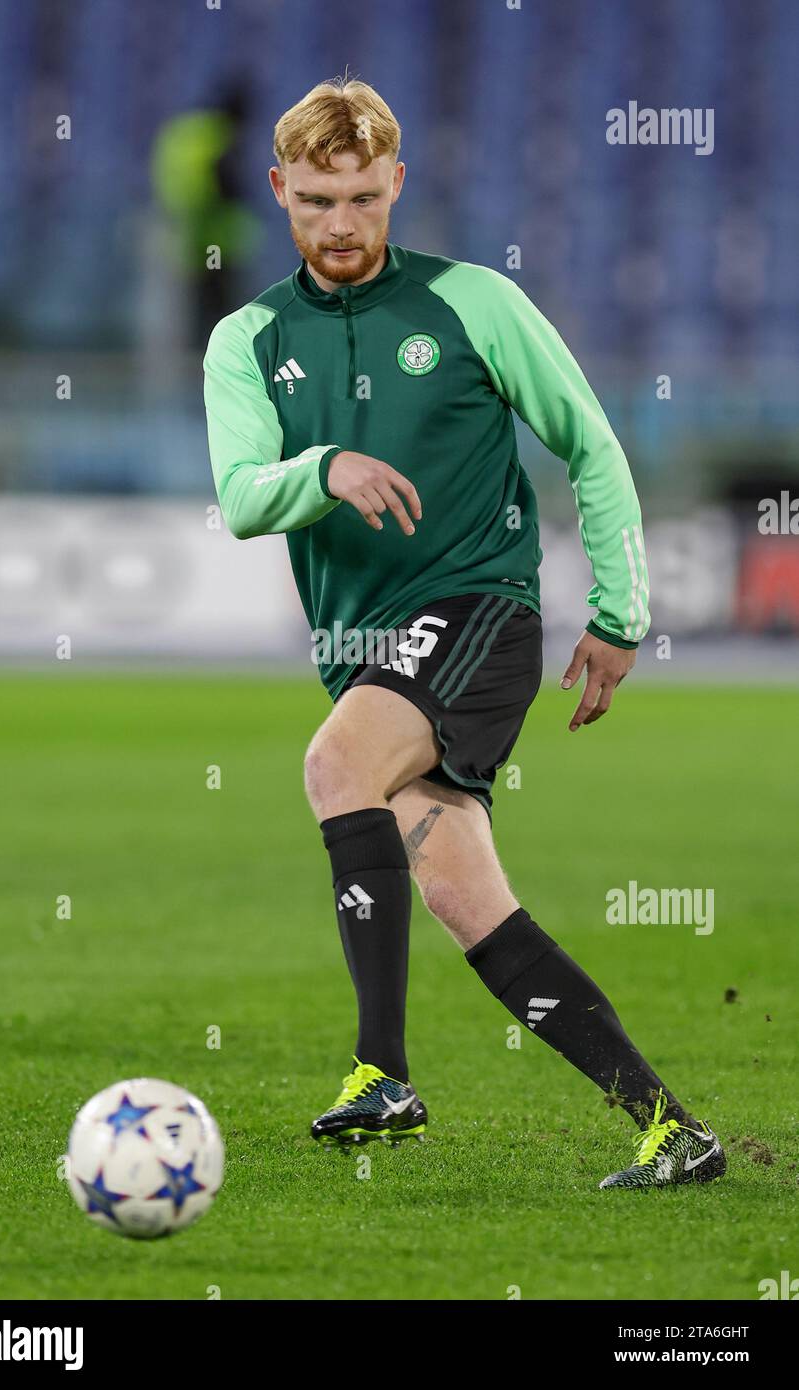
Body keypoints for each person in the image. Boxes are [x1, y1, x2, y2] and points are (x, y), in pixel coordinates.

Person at [203, 77, 726, 1189]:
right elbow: (245, 496)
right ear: (275, 191)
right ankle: (673, 1131)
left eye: (359, 197)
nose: (339, 225)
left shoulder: (474, 303)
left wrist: (622, 613)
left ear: (397, 181)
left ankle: (380, 1070)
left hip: (480, 612)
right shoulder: (246, 341)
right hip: (361, 650)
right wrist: (323, 468)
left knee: (335, 762)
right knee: (461, 896)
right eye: (312, 201)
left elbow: (591, 445)